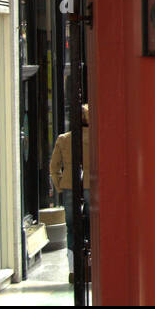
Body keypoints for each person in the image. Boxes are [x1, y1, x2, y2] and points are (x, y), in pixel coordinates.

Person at [49, 104, 90, 273]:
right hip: (92, 186)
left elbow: (54, 167)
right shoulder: (97, 138)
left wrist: (60, 185)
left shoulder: (64, 139)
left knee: (72, 227)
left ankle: (73, 268)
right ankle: (90, 264)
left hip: (70, 186)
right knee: (91, 225)